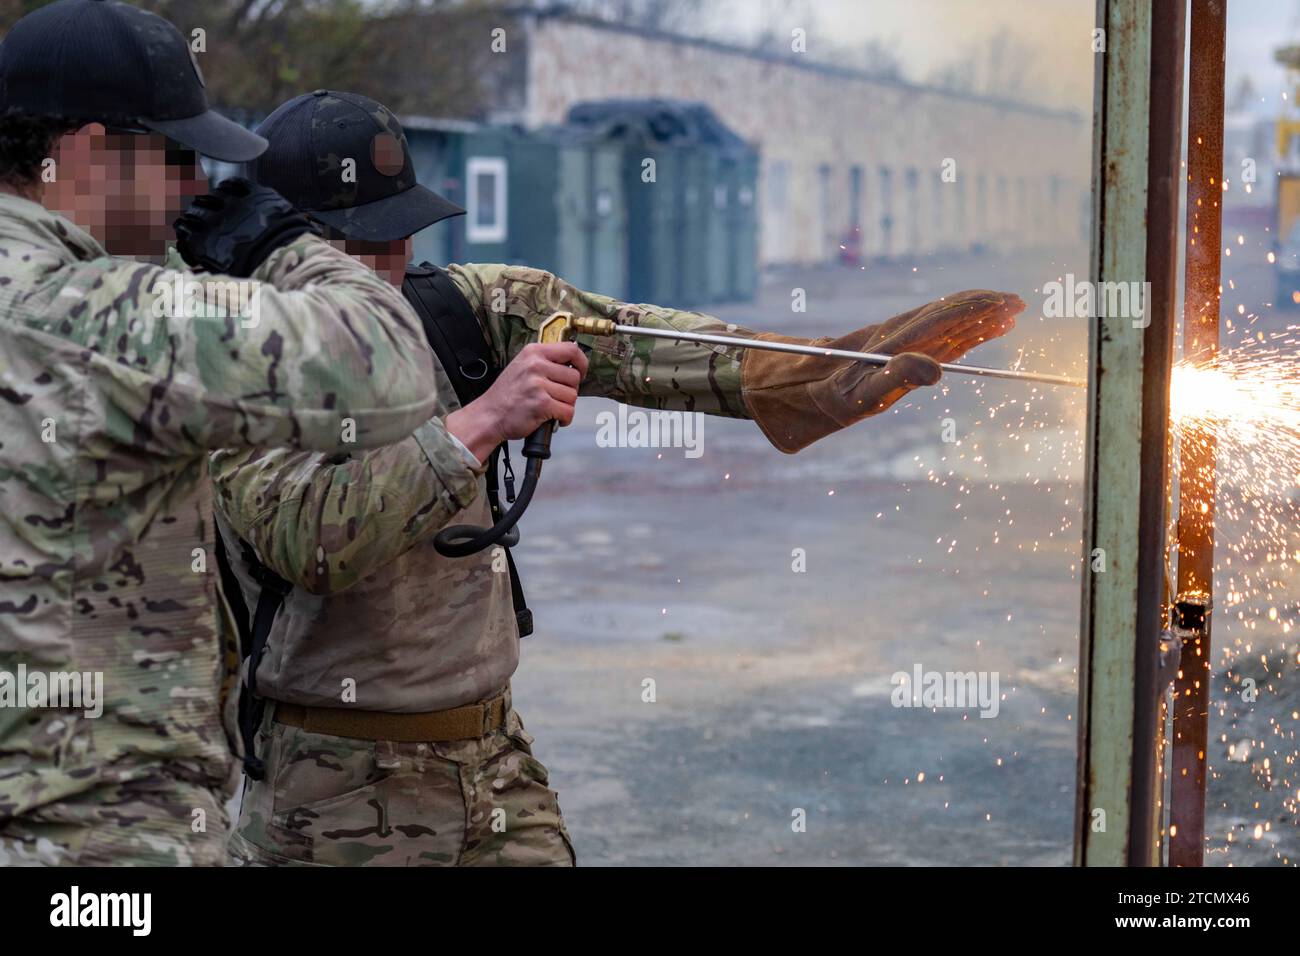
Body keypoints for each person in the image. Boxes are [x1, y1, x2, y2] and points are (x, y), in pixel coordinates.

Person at [212, 89, 1024, 867]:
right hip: (333, 790)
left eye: (400, 235)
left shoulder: (456, 310)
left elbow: (628, 338)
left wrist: (811, 374)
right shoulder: (237, 368)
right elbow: (311, 541)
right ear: (291, 247)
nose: (391, 261)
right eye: (363, 243)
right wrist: (486, 419)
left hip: (488, 758)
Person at [0, 3, 449, 866]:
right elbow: (388, 363)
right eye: (177, 159)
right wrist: (281, 244)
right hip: (98, 836)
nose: (192, 190)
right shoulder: (94, 317)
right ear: (90, 151)